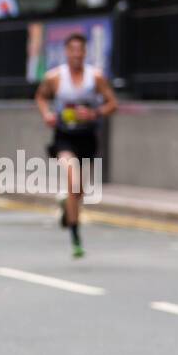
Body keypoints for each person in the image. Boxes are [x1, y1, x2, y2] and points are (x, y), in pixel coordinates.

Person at [34, 32, 117, 258]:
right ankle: (75, 238)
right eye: (73, 50)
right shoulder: (55, 78)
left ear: (85, 52)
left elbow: (112, 103)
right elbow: (41, 97)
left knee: (78, 191)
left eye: (80, 50)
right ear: (67, 52)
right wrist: (47, 113)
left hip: (87, 137)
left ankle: (66, 209)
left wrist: (94, 113)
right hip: (64, 136)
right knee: (73, 181)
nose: (77, 54)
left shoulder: (95, 77)